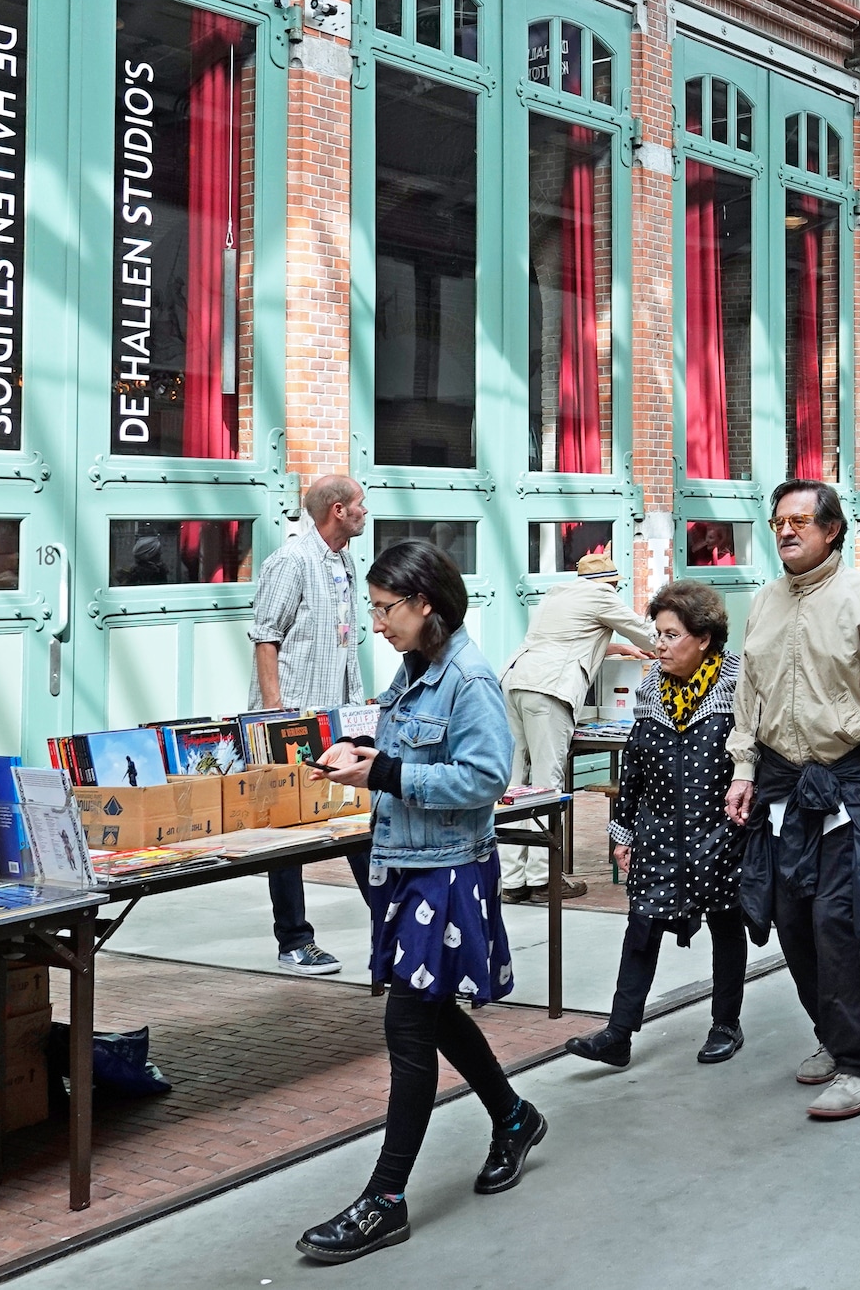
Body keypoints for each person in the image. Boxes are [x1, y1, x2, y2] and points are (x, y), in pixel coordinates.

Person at [296, 541, 545, 1266]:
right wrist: (360, 752)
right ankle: (515, 1115)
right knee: (432, 1012)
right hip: (405, 864)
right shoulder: (416, 668)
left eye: (384, 608)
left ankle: (385, 1198)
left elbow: (485, 776)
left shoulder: (468, 677)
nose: (376, 622)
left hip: (446, 873)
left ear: (424, 602)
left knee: (408, 1024)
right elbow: (406, 755)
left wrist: (388, 771)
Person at [725, 478, 860, 1122]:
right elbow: (749, 698)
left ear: (831, 531)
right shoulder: (763, 603)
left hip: (854, 778)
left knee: (840, 920)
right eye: (778, 522)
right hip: (783, 783)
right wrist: (743, 768)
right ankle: (832, 1029)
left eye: (800, 521)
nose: (787, 531)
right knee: (790, 920)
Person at [567, 580, 748, 1069]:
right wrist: (622, 831)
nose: (658, 645)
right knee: (641, 927)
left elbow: (755, 761)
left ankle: (725, 1024)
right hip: (662, 833)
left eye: (671, 635)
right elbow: (636, 765)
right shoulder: (651, 687)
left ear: (704, 638)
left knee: (726, 923)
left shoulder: (737, 684)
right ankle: (619, 1034)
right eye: (657, 634)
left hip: (722, 833)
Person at [249, 474, 370, 975]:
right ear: (337, 510)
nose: (367, 511)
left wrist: (359, 712)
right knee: (289, 833)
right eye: (360, 504)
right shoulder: (291, 561)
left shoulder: (344, 561)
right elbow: (264, 637)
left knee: (359, 817)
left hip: (338, 713)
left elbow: (345, 642)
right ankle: (293, 941)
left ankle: (394, 921)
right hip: (293, 716)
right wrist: (278, 715)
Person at [497, 550, 658, 903]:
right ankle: (543, 879)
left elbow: (572, 637)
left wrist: (618, 648)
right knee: (546, 785)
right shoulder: (602, 595)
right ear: (611, 582)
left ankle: (510, 879)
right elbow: (650, 636)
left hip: (513, 682)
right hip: (548, 689)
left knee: (514, 785)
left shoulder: (558, 594)